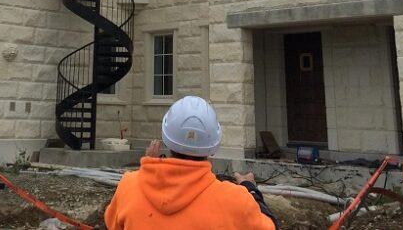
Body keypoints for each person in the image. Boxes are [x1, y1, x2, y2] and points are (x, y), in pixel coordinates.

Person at [104, 96, 280, 229]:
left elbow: (112, 223)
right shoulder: (236, 200)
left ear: (167, 138)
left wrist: (149, 173)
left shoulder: (129, 185)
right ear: (213, 145)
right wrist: (251, 189)